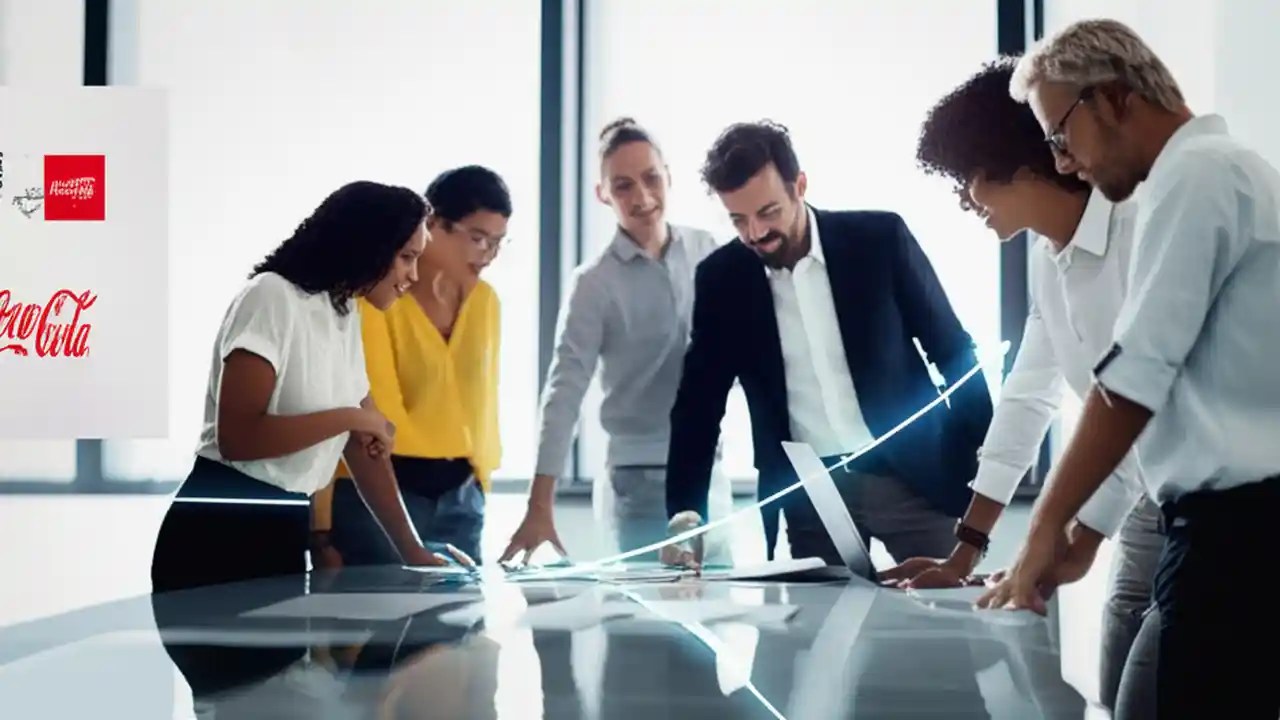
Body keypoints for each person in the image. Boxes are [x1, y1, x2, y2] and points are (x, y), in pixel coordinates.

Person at [976, 19, 1280, 719]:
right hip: (1233, 527)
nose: (1063, 163)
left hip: (1234, 535)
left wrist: (1045, 528)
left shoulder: (1197, 176)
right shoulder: (1224, 170)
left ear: (1114, 98)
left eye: (1061, 135)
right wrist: (1077, 539)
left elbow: (1134, 376)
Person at [874, 55, 1161, 718]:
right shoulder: (1046, 258)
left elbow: (1138, 408)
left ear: (1025, 167)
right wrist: (966, 550)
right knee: (1119, 682)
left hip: (1213, 498)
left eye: (968, 180)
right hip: (1146, 500)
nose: (965, 200)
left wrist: (1069, 538)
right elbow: (1029, 396)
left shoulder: (1140, 230)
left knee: (1152, 688)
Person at [150, 180, 467, 698]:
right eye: (407, 257)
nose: (414, 275)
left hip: (278, 533)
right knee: (243, 705)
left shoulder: (342, 312)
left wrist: (412, 550)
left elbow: (364, 447)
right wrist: (350, 416)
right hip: (215, 534)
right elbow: (238, 436)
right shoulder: (270, 297)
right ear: (369, 244)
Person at [664, 120, 994, 566]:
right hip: (812, 497)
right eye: (738, 219)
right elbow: (698, 406)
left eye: (768, 212)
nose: (755, 233)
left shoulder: (880, 240)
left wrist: (990, 463)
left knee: (949, 605)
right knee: (824, 613)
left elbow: (951, 350)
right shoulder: (722, 279)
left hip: (916, 477)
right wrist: (686, 515)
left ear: (799, 186)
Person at [501, 118, 734, 564]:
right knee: (642, 609)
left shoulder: (709, 251)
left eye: (651, 178)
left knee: (720, 604)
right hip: (636, 483)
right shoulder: (594, 283)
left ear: (669, 176)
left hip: (709, 475)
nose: (642, 197)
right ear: (602, 193)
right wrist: (539, 504)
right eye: (623, 186)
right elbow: (564, 392)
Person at [314, 166, 510, 566]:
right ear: (432, 223)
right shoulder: (374, 296)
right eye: (478, 238)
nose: (488, 254)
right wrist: (320, 527)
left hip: (460, 496)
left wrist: (479, 482)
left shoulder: (485, 302)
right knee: (384, 605)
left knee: (461, 607)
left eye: (497, 243)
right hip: (379, 493)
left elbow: (482, 406)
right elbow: (367, 419)